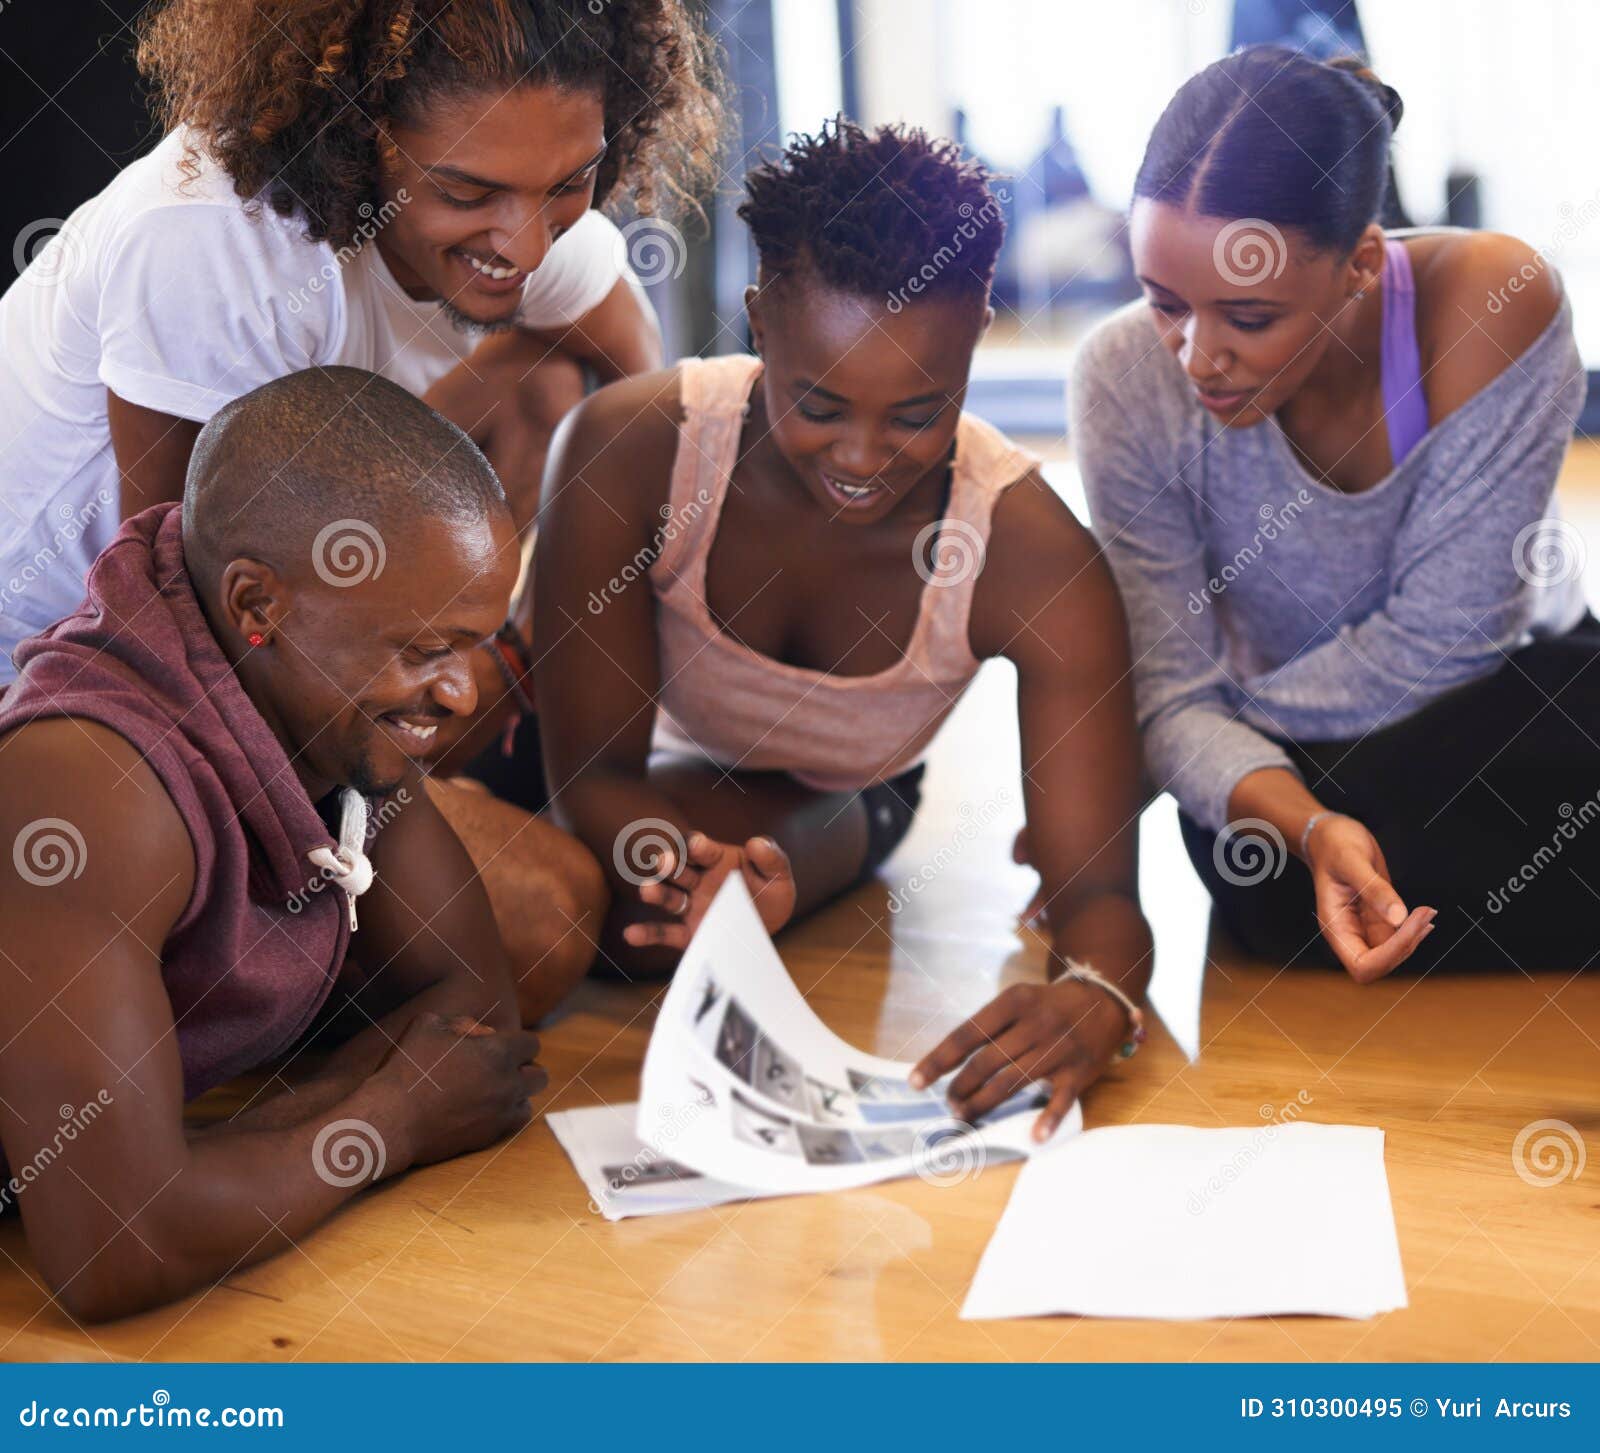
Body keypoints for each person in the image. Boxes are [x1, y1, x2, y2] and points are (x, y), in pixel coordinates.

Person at [534, 121, 1153, 1139]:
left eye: (918, 412)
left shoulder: (1034, 557)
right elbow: (593, 778)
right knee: (572, 917)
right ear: (758, 325)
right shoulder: (630, 450)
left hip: (844, 795)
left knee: (636, 928)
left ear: (977, 336)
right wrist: (682, 865)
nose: (864, 456)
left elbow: (1097, 892)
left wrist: (1095, 998)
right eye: (819, 403)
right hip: (593, 761)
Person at [0, 367, 605, 1321]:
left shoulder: (329, 687)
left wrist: (213, 1161)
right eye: (423, 649)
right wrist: (387, 1118)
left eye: (472, 645)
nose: (459, 694)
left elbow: (477, 1027)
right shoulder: (89, 787)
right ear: (258, 605)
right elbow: (117, 1250)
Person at [1074, 47, 1592, 981]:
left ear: (1359, 263)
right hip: (1302, 762)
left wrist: (1178, 731)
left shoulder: (1493, 301)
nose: (1197, 356)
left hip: (1507, 693)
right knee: (1267, 862)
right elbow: (1170, 692)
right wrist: (1297, 816)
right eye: (1165, 304)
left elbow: (1454, 640)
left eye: (1249, 316)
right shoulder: (1120, 379)